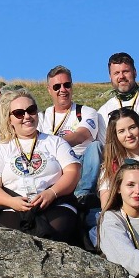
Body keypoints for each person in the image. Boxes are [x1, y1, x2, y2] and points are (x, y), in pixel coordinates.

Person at [0, 87, 81, 243]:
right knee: (14, 241)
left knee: (55, 235)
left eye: (31, 110)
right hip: (13, 206)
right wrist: (11, 202)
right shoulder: (0, 149)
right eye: (19, 113)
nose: (27, 116)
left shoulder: (55, 142)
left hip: (55, 203)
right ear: (9, 119)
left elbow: (73, 171)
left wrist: (52, 193)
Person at [41, 65, 103, 205]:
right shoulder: (42, 117)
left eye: (66, 85)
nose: (62, 90)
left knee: (95, 146)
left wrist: (55, 144)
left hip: (82, 161)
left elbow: (81, 135)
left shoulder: (87, 112)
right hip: (57, 163)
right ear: (49, 90)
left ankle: (82, 195)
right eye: (57, 86)